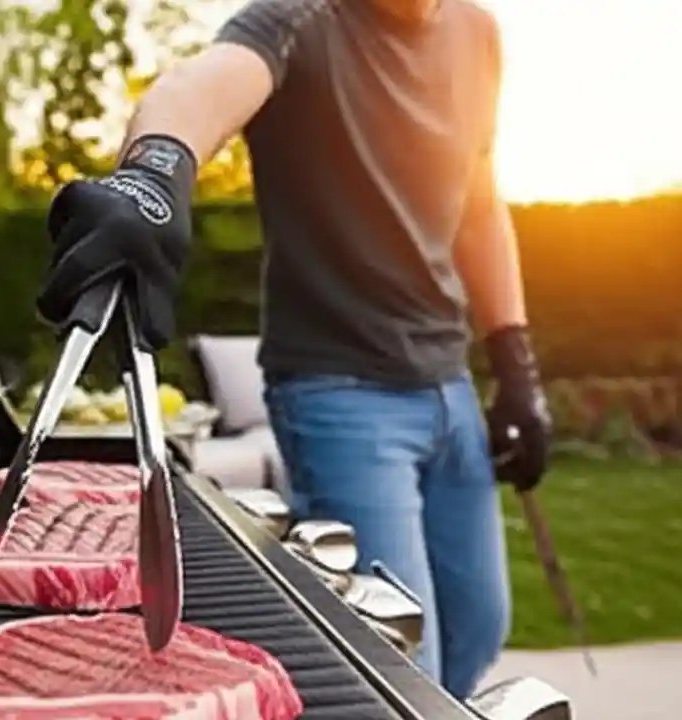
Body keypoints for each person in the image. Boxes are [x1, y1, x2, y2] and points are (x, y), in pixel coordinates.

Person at [33, 0, 553, 701]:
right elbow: (200, 86)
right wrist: (153, 173)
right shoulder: (300, 19)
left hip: (448, 383)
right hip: (340, 395)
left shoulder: (477, 32)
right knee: (400, 663)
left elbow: (481, 202)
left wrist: (515, 360)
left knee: (478, 629)